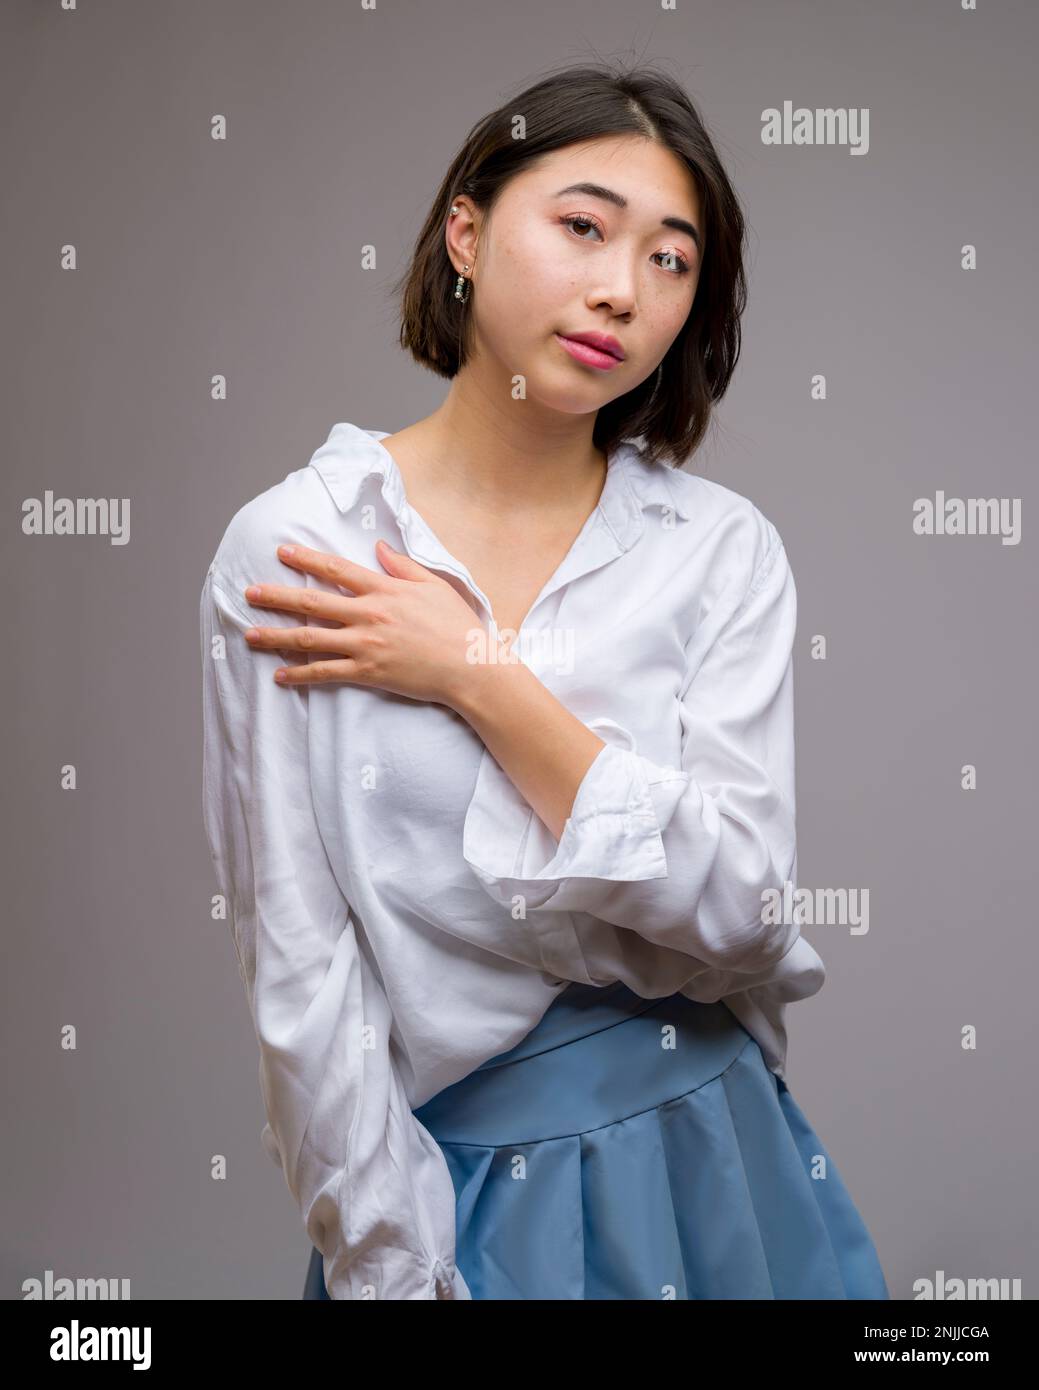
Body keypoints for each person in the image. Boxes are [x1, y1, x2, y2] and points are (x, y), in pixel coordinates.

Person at [199, 61, 890, 1301]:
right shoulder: (297, 549)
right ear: (464, 230)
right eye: (581, 226)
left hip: (715, 1159)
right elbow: (299, 967)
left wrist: (477, 674)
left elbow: (742, 908)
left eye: (672, 260)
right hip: (442, 1195)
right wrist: (394, 1263)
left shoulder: (719, 552)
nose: (621, 289)